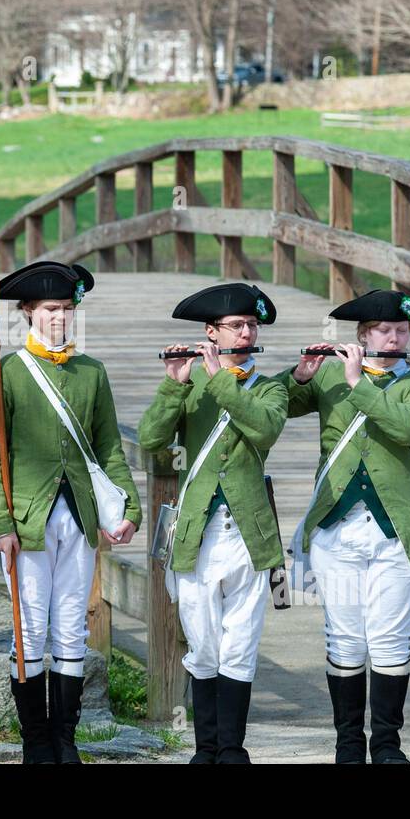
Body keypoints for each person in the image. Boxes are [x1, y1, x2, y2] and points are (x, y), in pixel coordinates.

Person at [0, 261, 141, 763]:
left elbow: (109, 448)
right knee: (29, 629)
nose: (60, 319)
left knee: (72, 624)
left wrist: (128, 505)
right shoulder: (6, 371)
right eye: (51, 310)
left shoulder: (91, 372)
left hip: (80, 517)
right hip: (26, 520)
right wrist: (1, 522)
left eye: (67, 310)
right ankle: (36, 742)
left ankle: (65, 741)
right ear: (27, 311)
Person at [279, 290, 410, 763]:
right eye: (384, 331)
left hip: (398, 530)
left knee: (391, 639)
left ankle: (387, 745)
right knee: (344, 637)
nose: (395, 338)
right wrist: (299, 375)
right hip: (337, 528)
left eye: (402, 331)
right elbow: (274, 409)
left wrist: (358, 384)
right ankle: (349, 744)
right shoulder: (329, 372)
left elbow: (408, 429)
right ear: (362, 336)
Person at [137, 282, 288, 764]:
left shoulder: (270, 387)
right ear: (211, 332)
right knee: (202, 642)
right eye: (235, 326)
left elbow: (263, 429)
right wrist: (173, 382)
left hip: (248, 532)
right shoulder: (190, 381)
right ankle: (205, 748)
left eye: (251, 325)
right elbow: (150, 439)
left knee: (240, 642)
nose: (246, 333)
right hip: (196, 532)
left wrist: (222, 376)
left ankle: (232, 749)